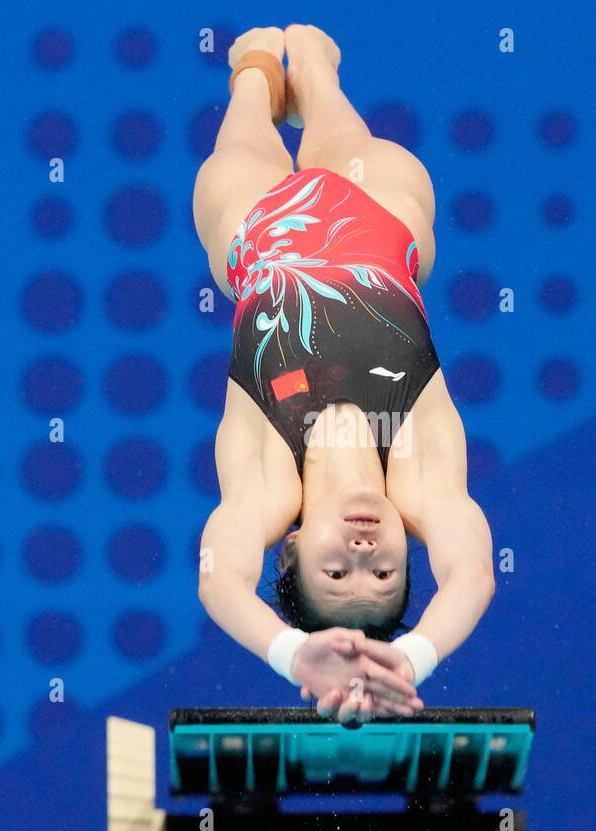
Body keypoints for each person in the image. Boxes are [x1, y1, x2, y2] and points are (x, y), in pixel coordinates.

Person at [192, 25, 494, 724]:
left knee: (241, 142)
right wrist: (415, 656)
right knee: (341, 124)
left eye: (337, 571)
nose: (363, 551)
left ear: (292, 548)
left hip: (257, 233)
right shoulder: (419, 473)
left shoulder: (270, 479)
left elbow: (218, 580)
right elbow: (473, 573)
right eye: (385, 572)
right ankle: (320, 77)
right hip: (381, 220)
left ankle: (257, 75)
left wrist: (291, 653)